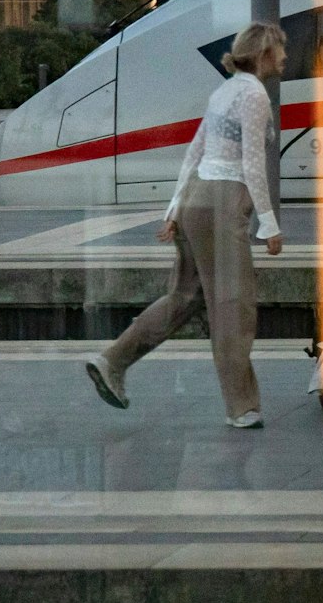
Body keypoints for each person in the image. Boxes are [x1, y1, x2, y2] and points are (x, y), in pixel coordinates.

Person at [85, 22, 287, 428]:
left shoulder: (223, 92)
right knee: (232, 306)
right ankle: (242, 408)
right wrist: (269, 224)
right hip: (224, 199)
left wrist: (176, 209)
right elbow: (252, 164)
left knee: (184, 295)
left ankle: (113, 361)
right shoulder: (253, 94)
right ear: (264, 53)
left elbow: (194, 152)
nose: (285, 57)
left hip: (198, 196)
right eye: (281, 49)